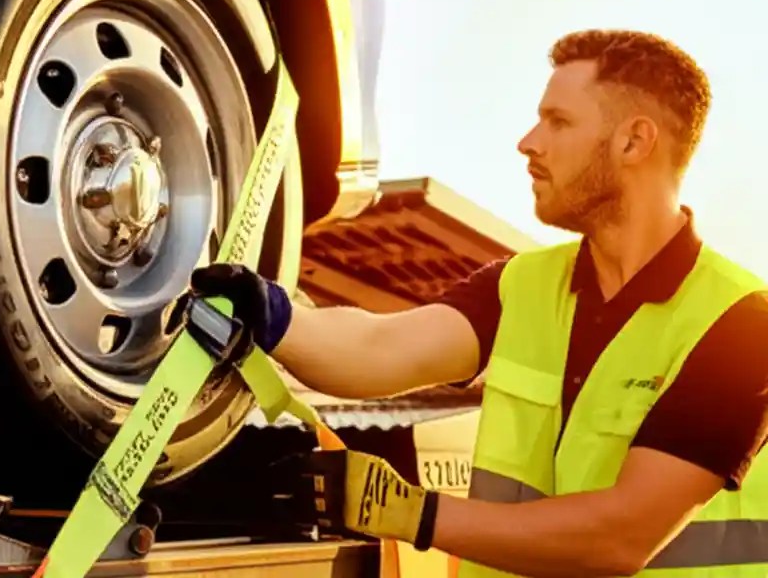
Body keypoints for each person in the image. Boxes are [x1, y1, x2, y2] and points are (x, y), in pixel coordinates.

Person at [190, 29, 768, 576]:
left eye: (558, 121)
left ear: (634, 142)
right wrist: (276, 316)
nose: (528, 142)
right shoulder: (523, 285)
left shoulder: (743, 326)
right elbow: (379, 348)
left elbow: (621, 537)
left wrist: (412, 514)